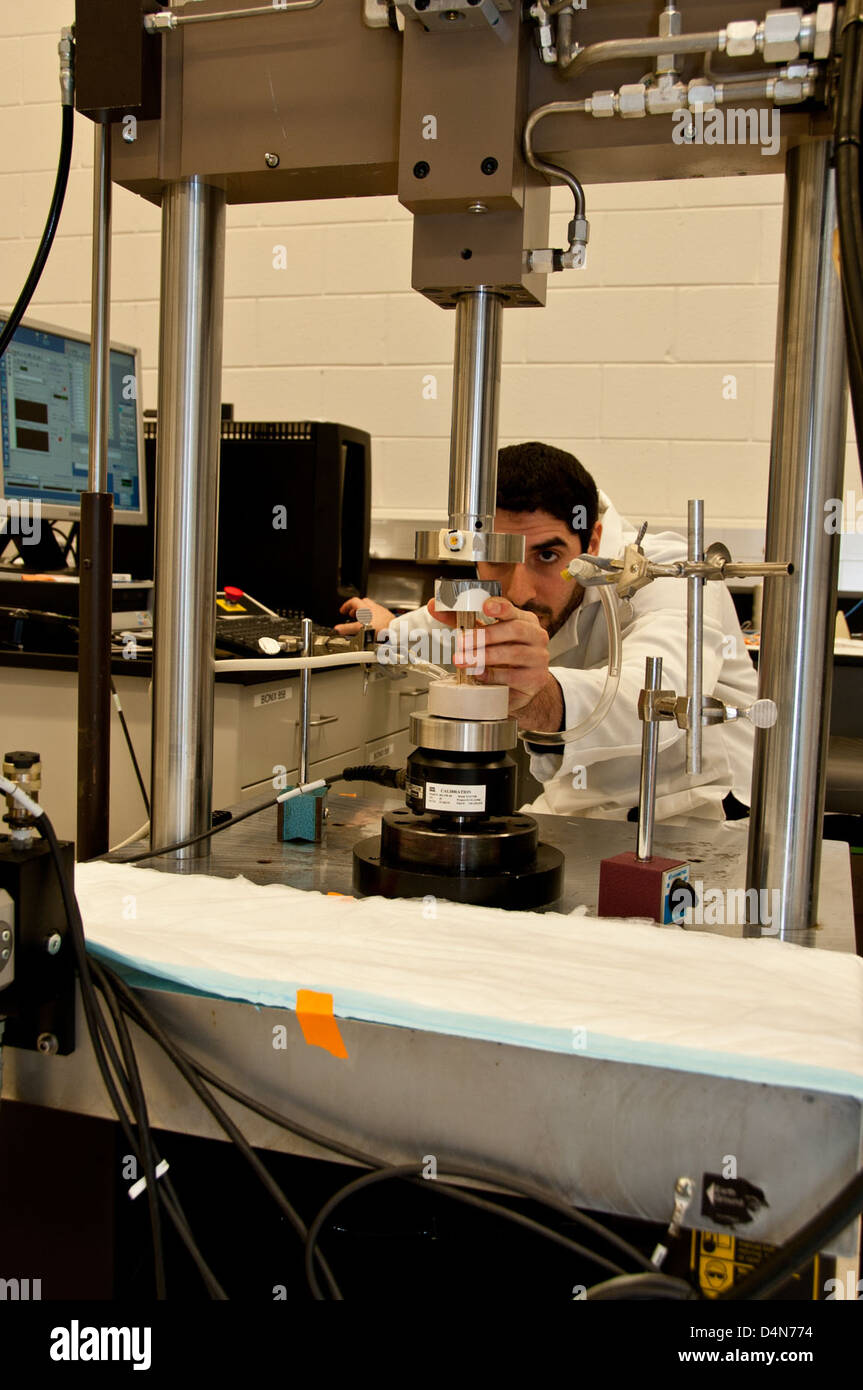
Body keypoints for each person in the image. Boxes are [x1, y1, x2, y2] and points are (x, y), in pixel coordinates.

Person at [336, 442, 759, 823]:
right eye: (497, 557)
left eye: (547, 555)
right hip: (577, 807)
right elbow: (440, 624)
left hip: (702, 811)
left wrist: (539, 698)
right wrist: (389, 630)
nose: (520, 591)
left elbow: (656, 701)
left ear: (591, 539)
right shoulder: (507, 587)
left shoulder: (673, 574)